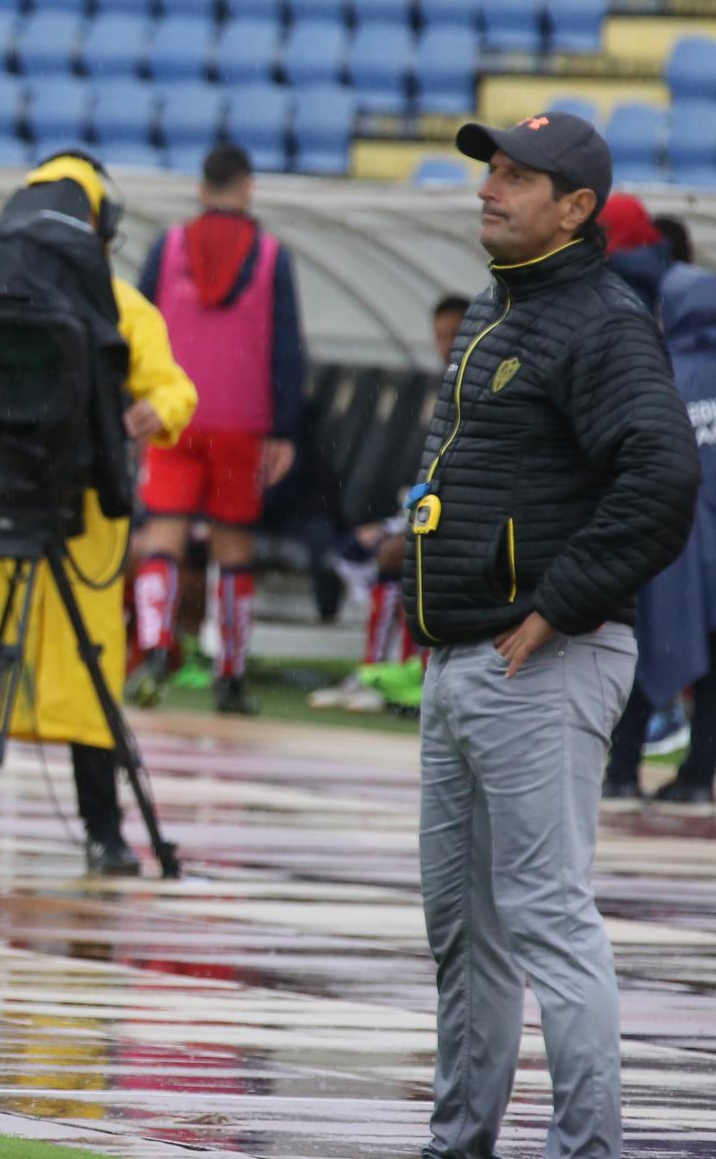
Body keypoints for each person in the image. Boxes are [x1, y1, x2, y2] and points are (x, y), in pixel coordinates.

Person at [412, 112, 699, 1159]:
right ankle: (459, 1144)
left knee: (543, 921)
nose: (489, 188)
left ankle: (586, 1149)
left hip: (539, 660)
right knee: (463, 936)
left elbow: (663, 476)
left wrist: (554, 606)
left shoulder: (598, 319)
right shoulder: (504, 302)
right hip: (465, 659)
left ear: (574, 210)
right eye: (488, 170)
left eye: (516, 178)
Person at [0, 153, 198, 876]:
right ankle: (90, 835)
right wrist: (162, 409)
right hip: (64, 513)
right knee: (48, 669)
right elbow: (175, 385)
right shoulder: (115, 301)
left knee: (0, 664)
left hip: (17, 505)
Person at [127, 143, 306, 715]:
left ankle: (156, 648)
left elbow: (138, 326)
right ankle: (230, 674)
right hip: (242, 421)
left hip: (171, 417)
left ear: (201, 188)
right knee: (233, 549)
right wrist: (284, 428)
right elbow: (286, 346)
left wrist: (137, 403)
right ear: (248, 187)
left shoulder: (169, 245)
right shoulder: (272, 255)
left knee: (162, 539)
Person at [310, 294, 468, 715]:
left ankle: (403, 672)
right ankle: (377, 670)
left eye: (456, 334)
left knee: (398, 552)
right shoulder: (446, 386)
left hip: (469, 516)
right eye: (440, 336)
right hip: (432, 507)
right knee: (380, 546)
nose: (447, 344)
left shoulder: (482, 386)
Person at [602, 229, 716, 805]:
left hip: (668, 548)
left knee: (647, 656)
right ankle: (699, 776)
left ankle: (621, 770)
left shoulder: (662, 373)